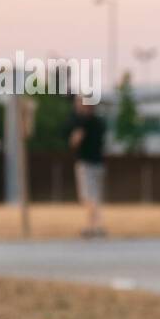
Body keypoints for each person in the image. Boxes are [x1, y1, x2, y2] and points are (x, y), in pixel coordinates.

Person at [64, 97, 107, 238]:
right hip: (99, 163)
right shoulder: (99, 122)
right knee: (95, 197)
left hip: (86, 163)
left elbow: (75, 141)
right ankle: (98, 225)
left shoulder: (83, 122)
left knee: (89, 197)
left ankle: (93, 226)